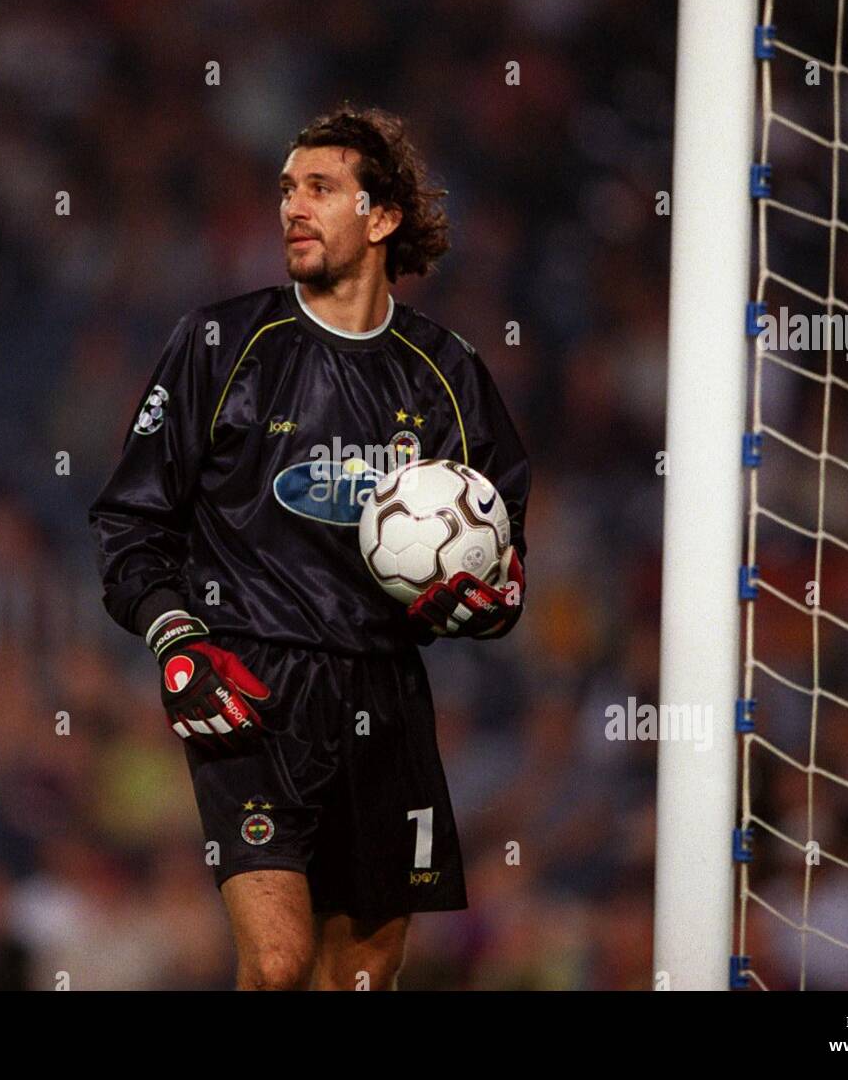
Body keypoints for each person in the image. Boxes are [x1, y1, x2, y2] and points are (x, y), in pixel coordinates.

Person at [89, 104, 529, 990]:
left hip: (385, 693)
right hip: (248, 687)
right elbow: (129, 526)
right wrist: (180, 642)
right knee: (281, 964)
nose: (292, 207)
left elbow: (503, 563)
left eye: (320, 189)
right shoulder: (221, 344)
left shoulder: (449, 372)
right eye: (287, 189)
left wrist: (492, 604)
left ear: (382, 216)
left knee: (359, 979)